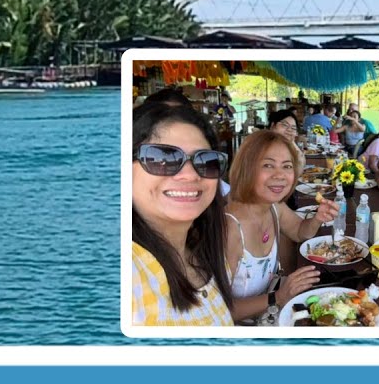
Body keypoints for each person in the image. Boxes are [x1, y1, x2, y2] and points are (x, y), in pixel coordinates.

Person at [130, 102, 234, 325]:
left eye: (205, 161)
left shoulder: (208, 255)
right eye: (162, 158)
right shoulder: (131, 269)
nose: (189, 175)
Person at [223, 130, 339, 322]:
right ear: (247, 168)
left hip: (268, 314)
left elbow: (300, 232)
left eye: (287, 166)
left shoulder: (273, 207)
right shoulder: (228, 228)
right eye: (268, 165)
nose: (280, 175)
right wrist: (278, 297)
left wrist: (317, 218)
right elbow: (217, 310)